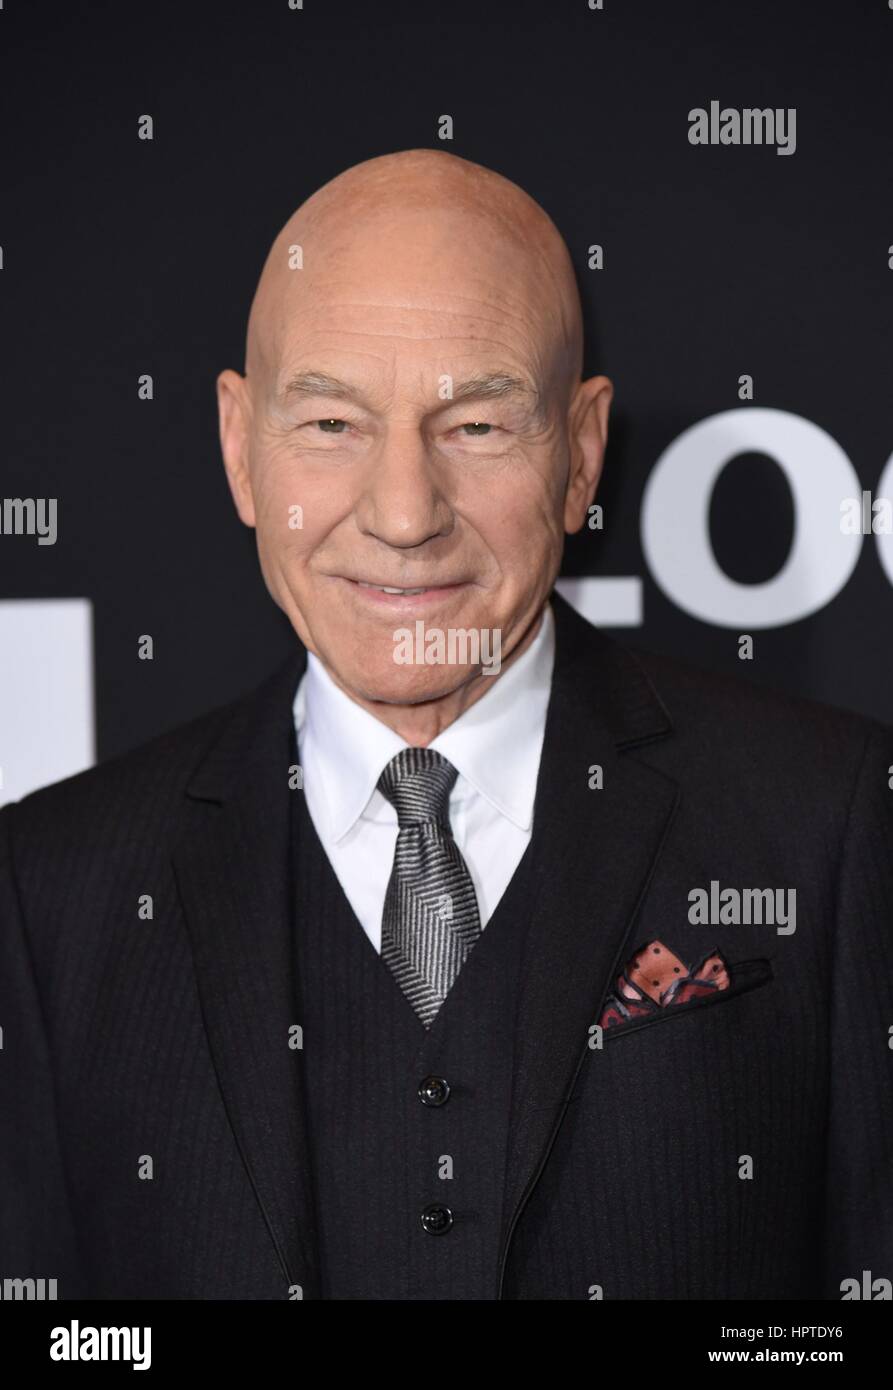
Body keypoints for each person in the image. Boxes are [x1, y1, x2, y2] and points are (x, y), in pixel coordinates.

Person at [1, 149, 891, 1300]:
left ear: (578, 453)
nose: (405, 513)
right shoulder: (53, 887)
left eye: (474, 426)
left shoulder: (828, 820)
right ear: (237, 445)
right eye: (329, 422)